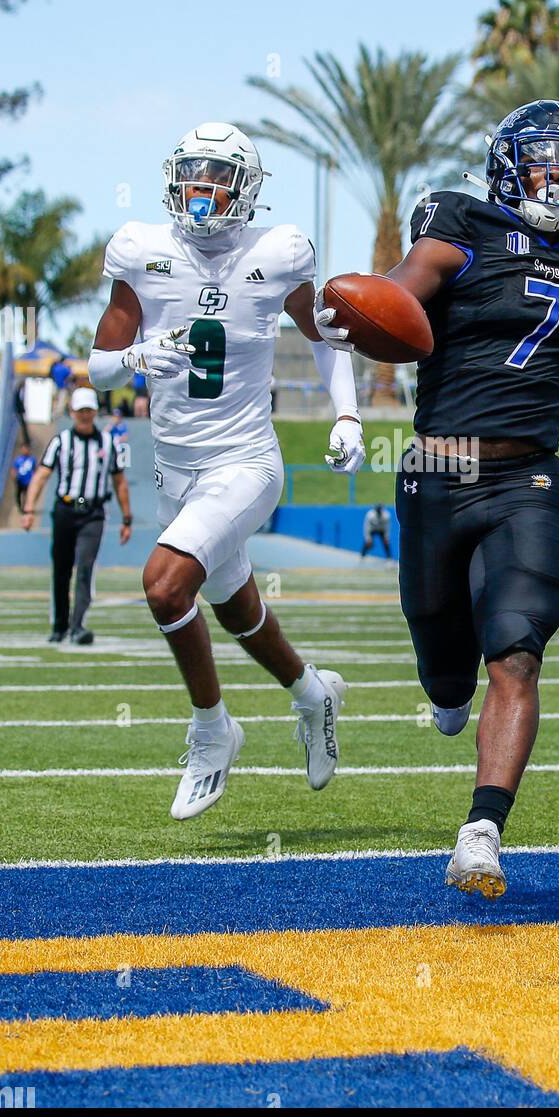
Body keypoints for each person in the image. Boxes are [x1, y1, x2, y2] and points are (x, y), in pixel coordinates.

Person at [315, 99, 559, 897]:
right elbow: (398, 294)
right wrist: (352, 311)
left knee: (517, 649)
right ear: (510, 166)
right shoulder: (461, 222)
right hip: (436, 474)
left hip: (528, 479)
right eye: (547, 164)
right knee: (445, 671)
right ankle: (446, 692)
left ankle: (481, 832)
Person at [88, 121, 365, 821]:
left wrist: (348, 415)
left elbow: (326, 337)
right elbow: (98, 367)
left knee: (164, 586)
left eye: (217, 177)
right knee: (234, 605)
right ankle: (312, 693)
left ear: (246, 189)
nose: (201, 190)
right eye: (191, 175)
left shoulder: (278, 251)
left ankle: (214, 730)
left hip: (244, 460)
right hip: (174, 469)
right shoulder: (141, 248)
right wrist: (137, 356)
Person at [21, 387, 132, 643]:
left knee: (85, 567)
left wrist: (127, 518)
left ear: (95, 412)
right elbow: (41, 475)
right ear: (72, 412)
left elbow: (120, 482)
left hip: (94, 513)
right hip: (65, 510)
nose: (84, 415)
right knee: (61, 569)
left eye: (88, 410)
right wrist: (29, 509)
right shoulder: (61, 442)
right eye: (80, 410)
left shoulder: (108, 443)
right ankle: (59, 625)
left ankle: (78, 625)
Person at [11, 447, 37, 512]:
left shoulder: (32, 459)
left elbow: (35, 469)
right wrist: (14, 477)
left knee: (27, 495)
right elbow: (14, 469)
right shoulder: (18, 459)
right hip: (20, 480)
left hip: (28, 481)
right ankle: (20, 506)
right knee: (18, 494)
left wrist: (34, 479)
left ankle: (24, 507)